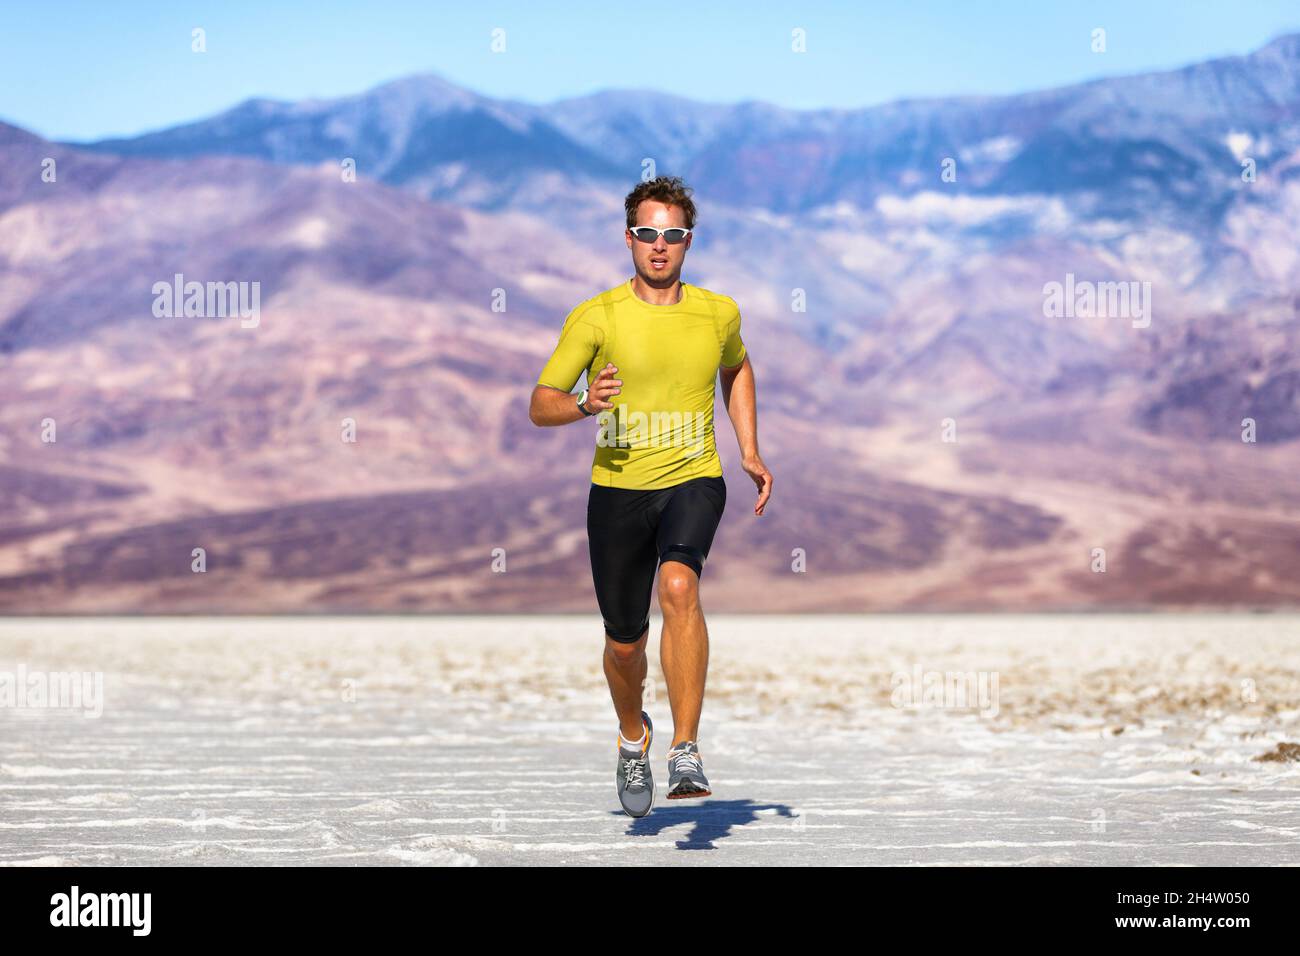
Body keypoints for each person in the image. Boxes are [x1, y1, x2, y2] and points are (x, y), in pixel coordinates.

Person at [528, 176, 772, 817]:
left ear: (688, 241)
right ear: (628, 238)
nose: (658, 246)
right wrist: (584, 403)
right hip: (617, 492)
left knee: (681, 587)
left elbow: (736, 366)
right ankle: (633, 735)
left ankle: (685, 749)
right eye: (646, 233)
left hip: (694, 475)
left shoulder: (718, 312)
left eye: (672, 235)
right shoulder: (596, 316)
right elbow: (539, 404)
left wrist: (747, 448)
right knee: (624, 644)